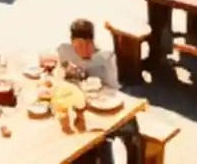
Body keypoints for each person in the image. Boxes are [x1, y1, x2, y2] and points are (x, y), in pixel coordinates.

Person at [52, 18, 140, 164]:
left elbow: (114, 89)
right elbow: (62, 76)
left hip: (104, 104)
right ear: (72, 42)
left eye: (88, 45)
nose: (84, 50)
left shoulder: (105, 57)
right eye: (78, 45)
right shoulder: (64, 50)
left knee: (128, 131)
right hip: (78, 105)